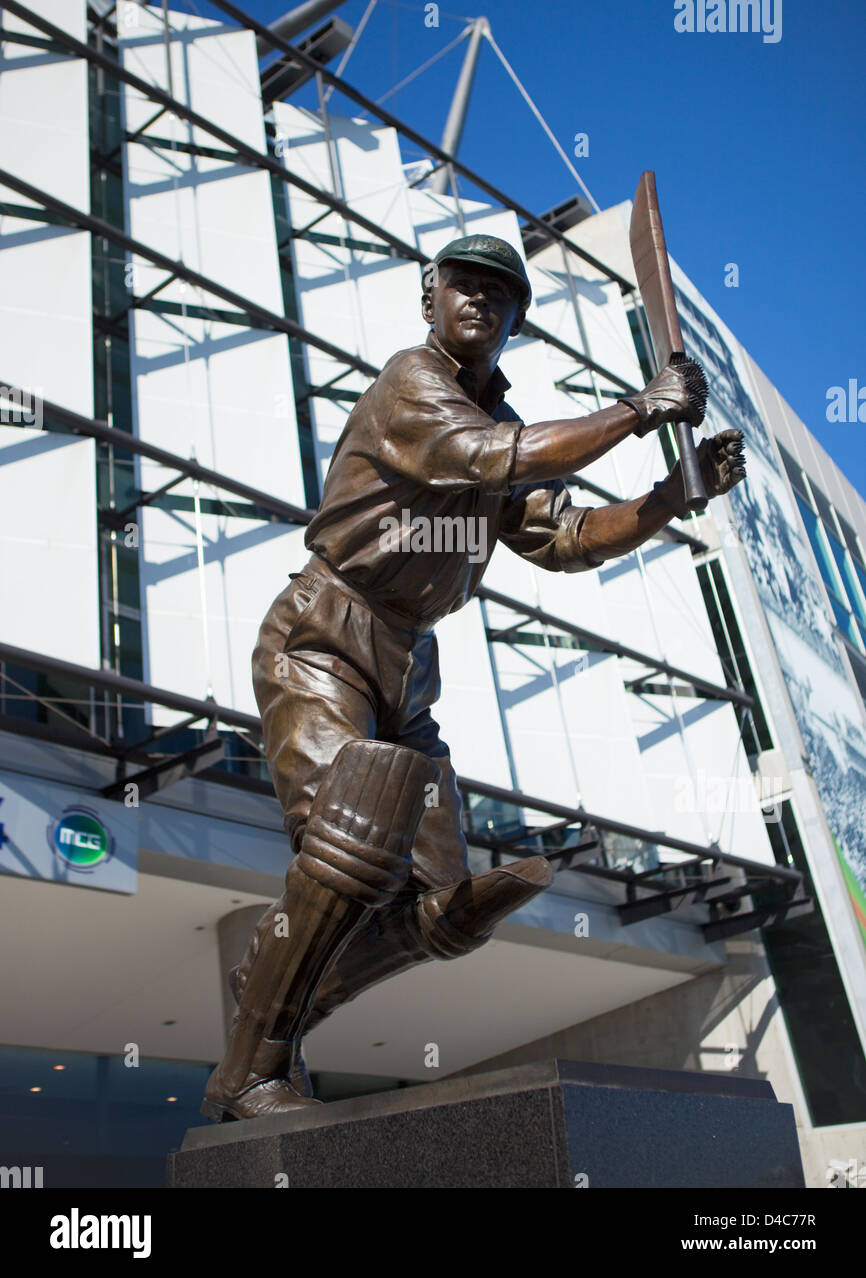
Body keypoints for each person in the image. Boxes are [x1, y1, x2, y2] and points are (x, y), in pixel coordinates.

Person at [202, 233, 746, 1121]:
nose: (481, 302)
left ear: (516, 321)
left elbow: (566, 540)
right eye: (464, 286)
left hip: (409, 664)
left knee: (441, 911)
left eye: (501, 294)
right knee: (351, 852)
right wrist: (640, 410)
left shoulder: (505, 422)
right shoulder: (412, 384)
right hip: (328, 635)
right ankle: (247, 1072)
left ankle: (276, 984)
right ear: (430, 298)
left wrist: (669, 500)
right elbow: (507, 457)